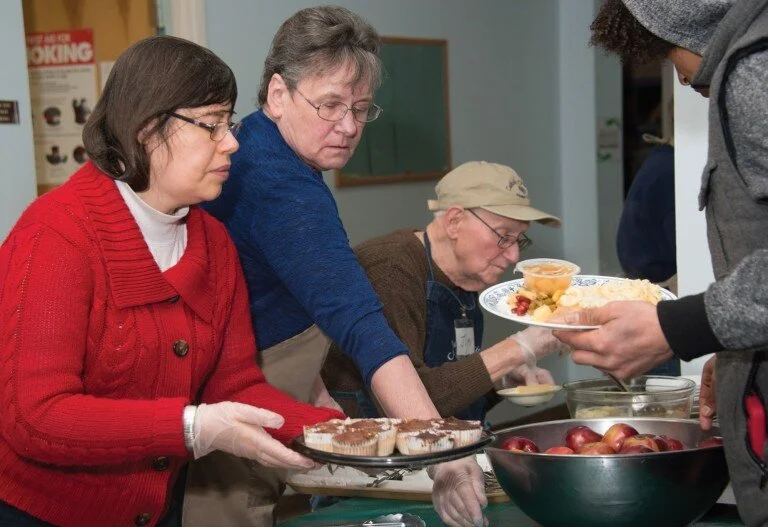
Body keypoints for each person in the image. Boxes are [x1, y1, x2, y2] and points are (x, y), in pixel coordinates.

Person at [0, 35, 343, 527]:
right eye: (211, 126)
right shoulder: (56, 236)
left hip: (156, 510)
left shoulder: (214, 244)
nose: (232, 142)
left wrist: (345, 436)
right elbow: (36, 417)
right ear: (146, 128)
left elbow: (237, 385)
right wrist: (193, 427)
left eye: (229, 123)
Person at [198, 6, 488, 527]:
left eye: (361, 108)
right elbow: (360, 326)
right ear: (278, 93)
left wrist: (323, 407)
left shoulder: (267, 145)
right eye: (330, 105)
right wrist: (439, 454)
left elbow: (274, 291)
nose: (349, 126)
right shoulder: (282, 185)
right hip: (230, 393)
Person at [556, 1, 768, 524]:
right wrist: (738, 337)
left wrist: (681, 327)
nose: (684, 78)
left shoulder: (754, 70)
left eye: (673, 60)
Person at [322, 161, 566, 422]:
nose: (514, 255)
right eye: (503, 236)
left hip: (444, 443)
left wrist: (501, 378)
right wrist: (518, 348)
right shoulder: (389, 270)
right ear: (454, 221)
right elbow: (410, 403)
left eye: (519, 239)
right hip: (377, 451)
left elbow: (449, 387)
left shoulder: (467, 273)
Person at [616, 135, 681, 376]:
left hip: (643, 295)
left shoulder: (660, 157)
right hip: (658, 304)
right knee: (663, 400)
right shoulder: (674, 170)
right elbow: (687, 253)